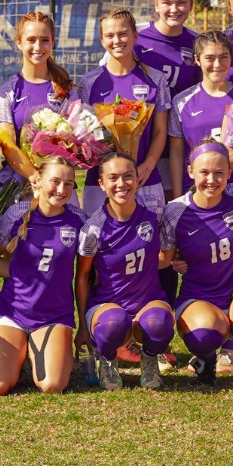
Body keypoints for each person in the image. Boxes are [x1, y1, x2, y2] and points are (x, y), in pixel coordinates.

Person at [162, 144, 233, 393]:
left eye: (219, 172)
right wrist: (175, 260)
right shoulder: (175, 210)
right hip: (199, 297)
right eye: (204, 172)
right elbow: (165, 256)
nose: (212, 180)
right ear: (191, 171)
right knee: (204, 337)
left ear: (229, 172)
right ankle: (207, 359)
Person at [0, 157, 85, 395]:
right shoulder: (15, 214)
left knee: (51, 385)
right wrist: (20, 272)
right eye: (55, 181)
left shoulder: (78, 219)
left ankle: (39, 348)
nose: (62, 190)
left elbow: (88, 271)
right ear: (38, 181)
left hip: (53, 315)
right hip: (12, 312)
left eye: (69, 183)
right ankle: (22, 349)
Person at [75, 153, 175, 390]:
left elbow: (165, 257)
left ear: (138, 178)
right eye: (113, 178)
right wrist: (82, 324)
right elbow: (82, 277)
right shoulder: (93, 229)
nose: (121, 184)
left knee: (159, 323)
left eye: (128, 176)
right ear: (102, 184)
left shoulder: (154, 212)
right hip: (108, 305)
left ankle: (149, 358)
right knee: (114, 324)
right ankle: (107, 358)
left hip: (148, 300)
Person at [78, 9, 172, 210]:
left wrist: (148, 164)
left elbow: (160, 130)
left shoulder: (156, 79)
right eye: (110, 36)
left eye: (123, 34)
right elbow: (85, 134)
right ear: (102, 41)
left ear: (134, 36)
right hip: (100, 182)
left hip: (145, 177)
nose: (117, 40)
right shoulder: (89, 82)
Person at [0, 10, 76, 196]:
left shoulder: (67, 90)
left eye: (45, 40)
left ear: (53, 42)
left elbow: (78, 140)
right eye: (31, 40)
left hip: (60, 189)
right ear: (18, 42)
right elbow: (8, 144)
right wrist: (36, 177)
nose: (38, 46)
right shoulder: (5, 93)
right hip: (16, 187)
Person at [136, 0, 202, 195]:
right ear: (155, 4)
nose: (174, 9)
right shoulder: (135, 39)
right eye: (167, 3)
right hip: (141, 147)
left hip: (179, 148)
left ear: (191, 5)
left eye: (181, 2)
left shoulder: (197, 43)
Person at [169, 31, 233, 191]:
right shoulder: (181, 101)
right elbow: (177, 153)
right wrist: (178, 196)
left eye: (223, 57)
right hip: (195, 191)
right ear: (197, 59)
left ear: (231, 58)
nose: (217, 64)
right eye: (210, 58)